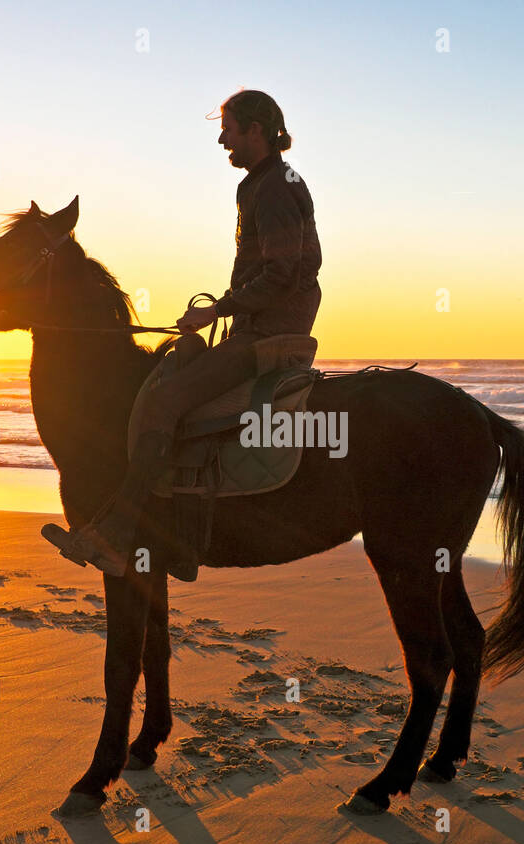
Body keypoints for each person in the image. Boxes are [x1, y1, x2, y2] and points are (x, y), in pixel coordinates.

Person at [51, 89, 322, 577]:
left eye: (229, 129)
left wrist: (219, 308)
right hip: (254, 324)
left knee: (164, 400)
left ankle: (116, 531)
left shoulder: (276, 187)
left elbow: (281, 275)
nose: (223, 140)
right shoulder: (260, 183)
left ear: (255, 131)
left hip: (267, 334)